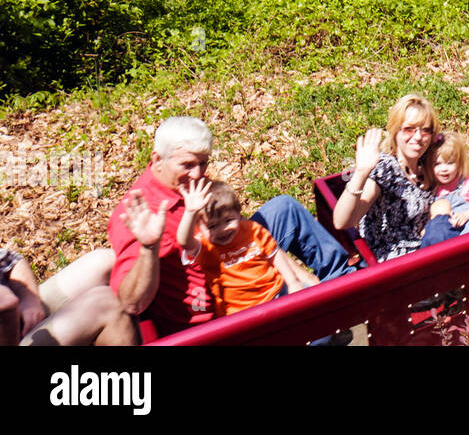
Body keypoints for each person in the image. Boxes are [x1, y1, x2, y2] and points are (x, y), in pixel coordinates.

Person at [110, 115, 354, 338]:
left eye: (203, 164)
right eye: (188, 165)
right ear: (157, 160)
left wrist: (297, 274)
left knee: (284, 209)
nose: (198, 175)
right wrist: (148, 246)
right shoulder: (138, 214)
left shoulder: (190, 183)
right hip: (218, 306)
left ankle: (345, 283)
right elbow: (132, 304)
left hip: (230, 256)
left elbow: (248, 235)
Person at [334, 93, 454, 262]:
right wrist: (361, 173)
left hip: (428, 250)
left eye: (426, 130)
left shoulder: (429, 165)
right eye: (409, 129)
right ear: (395, 130)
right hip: (394, 262)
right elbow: (342, 222)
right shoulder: (385, 168)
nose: (418, 137)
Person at [176, 179, 314, 316]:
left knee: (313, 301)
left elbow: (275, 255)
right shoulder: (205, 248)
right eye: (212, 226)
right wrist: (190, 212)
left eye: (228, 220)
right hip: (240, 312)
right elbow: (184, 241)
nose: (223, 229)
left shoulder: (252, 230)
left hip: (276, 291)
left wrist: (293, 282)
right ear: (199, 227)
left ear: (238, 213)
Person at [2, 248, 135, 346]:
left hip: (19, 315)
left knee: (103, 261)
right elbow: (7, 304)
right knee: (107, 304)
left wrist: (29, 299)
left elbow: (11, 260)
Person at [423, 133, 469, 240]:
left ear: (459, 164)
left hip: (468, 221)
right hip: (447, 230)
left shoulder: (465, 181)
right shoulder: (432, 187)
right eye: (437, 164)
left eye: (450, 163)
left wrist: (466, 215)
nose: (444, 169)